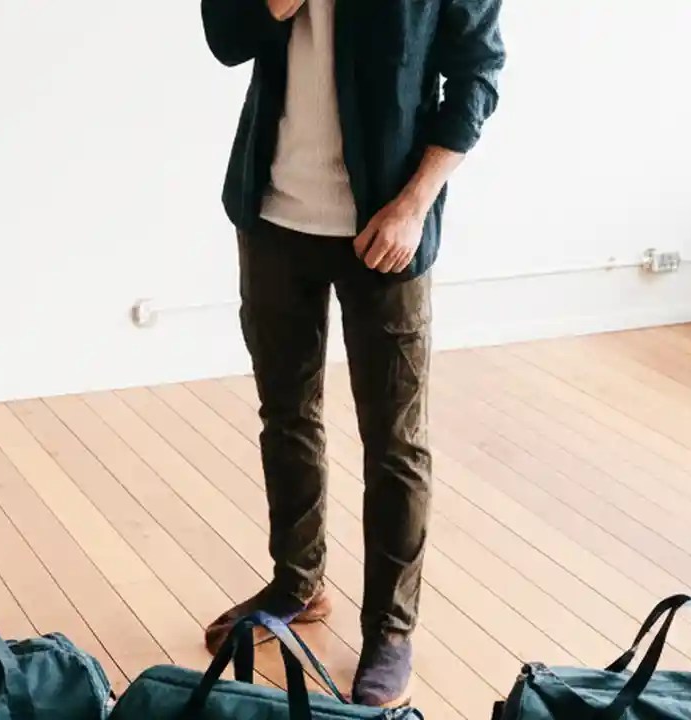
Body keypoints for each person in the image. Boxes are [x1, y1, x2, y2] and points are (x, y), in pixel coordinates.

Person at [199, 0, 504, 707]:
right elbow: (224, 37)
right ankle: (297, 582)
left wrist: (415, 203)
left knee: (395, 441)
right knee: (286, 413)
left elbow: (478, 73)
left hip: (387, 224)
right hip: (272, 211)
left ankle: (391, 630)